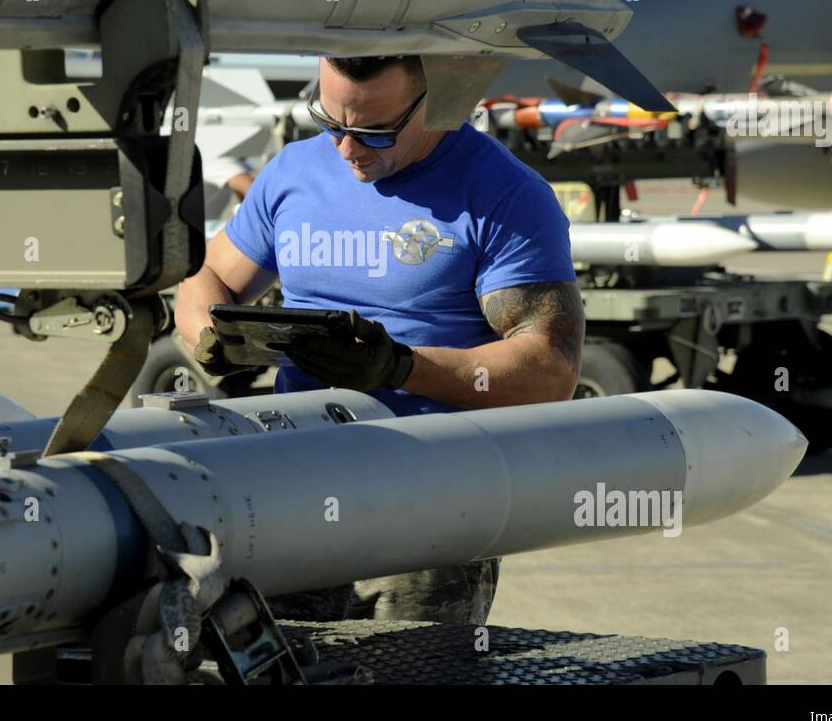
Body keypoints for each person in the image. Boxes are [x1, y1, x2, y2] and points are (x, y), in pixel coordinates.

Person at [174, 54, 584, 624]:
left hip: (429, 508)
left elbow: (551, 369)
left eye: (374, 132)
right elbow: (205, 275)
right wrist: (209, 333)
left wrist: (400, 368)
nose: (347, 149)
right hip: (293, 493)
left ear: (432, 100)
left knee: (406, 666)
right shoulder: (294, 173)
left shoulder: (504, 194)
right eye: (330, 122)